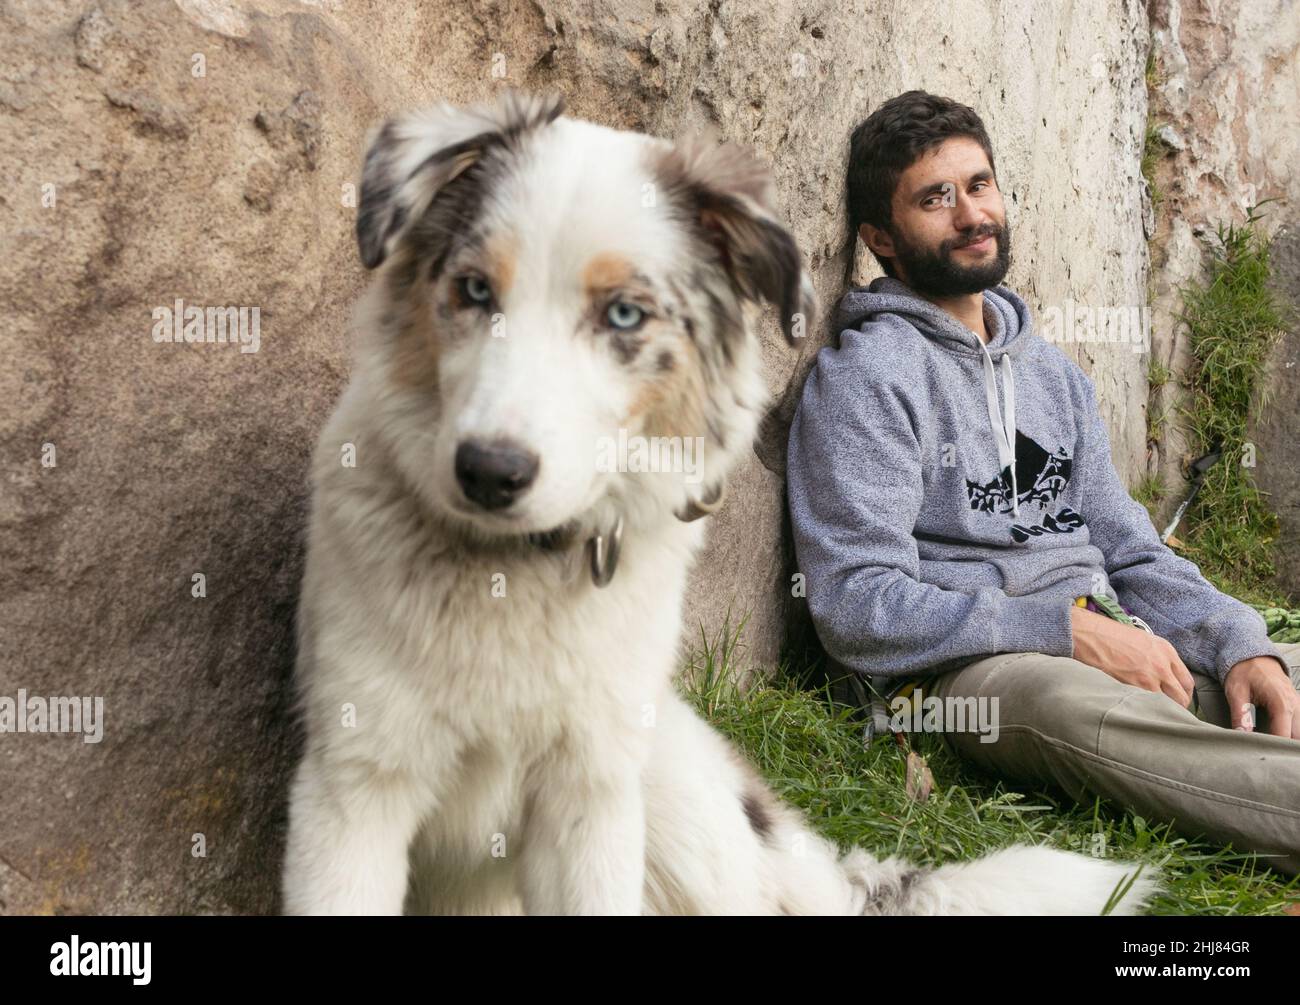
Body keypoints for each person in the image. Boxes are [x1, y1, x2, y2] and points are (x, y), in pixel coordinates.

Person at [786, 90, 1300, 874]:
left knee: (1277, 666)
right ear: (881, 238)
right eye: (936, 198)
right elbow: (856, 605)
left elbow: (1132, 552)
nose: (970, 215)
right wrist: (1060, 630)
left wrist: (1238, 643)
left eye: (979, 185)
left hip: (1105, 627)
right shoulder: (867, 378)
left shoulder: (1053, 375)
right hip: (966, 676)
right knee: (1074, 708)